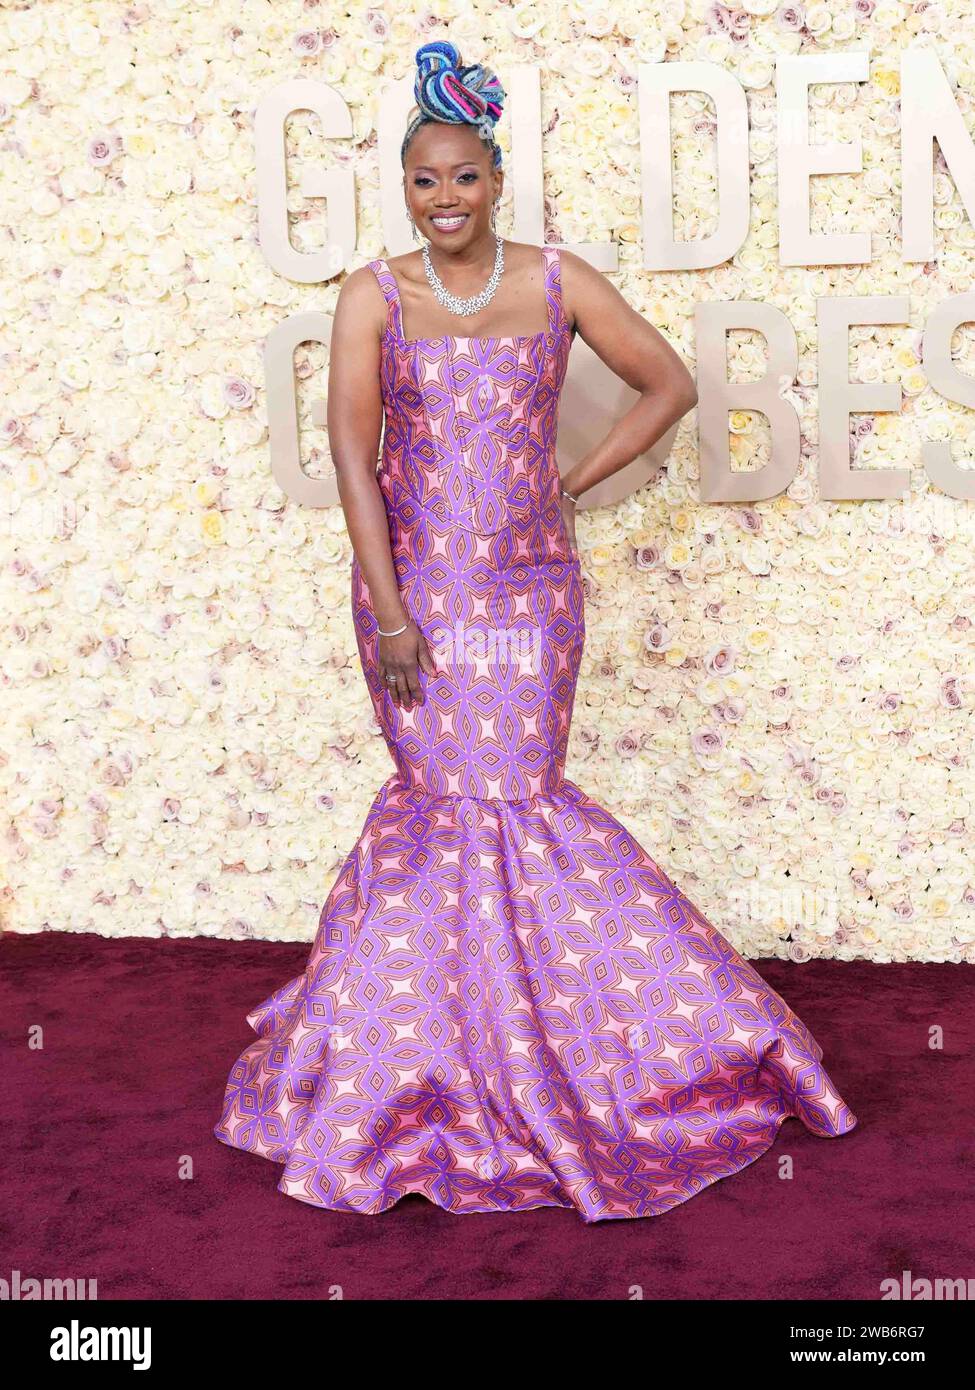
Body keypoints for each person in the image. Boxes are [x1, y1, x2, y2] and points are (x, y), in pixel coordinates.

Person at [213, 40, 857, 1221]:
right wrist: (395, 609)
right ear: (402, 190)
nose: (444, 199)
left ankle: (583, 1053)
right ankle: (420, 1067)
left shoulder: (559, 280)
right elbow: (353, 458)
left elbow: (671, 382)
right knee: (444, 809)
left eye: (463, 177)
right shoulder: (374, 292)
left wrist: (574, 482)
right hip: (415, 598)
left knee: (522, 806)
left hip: (531, 594)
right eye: (423, 181)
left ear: (496, 180)